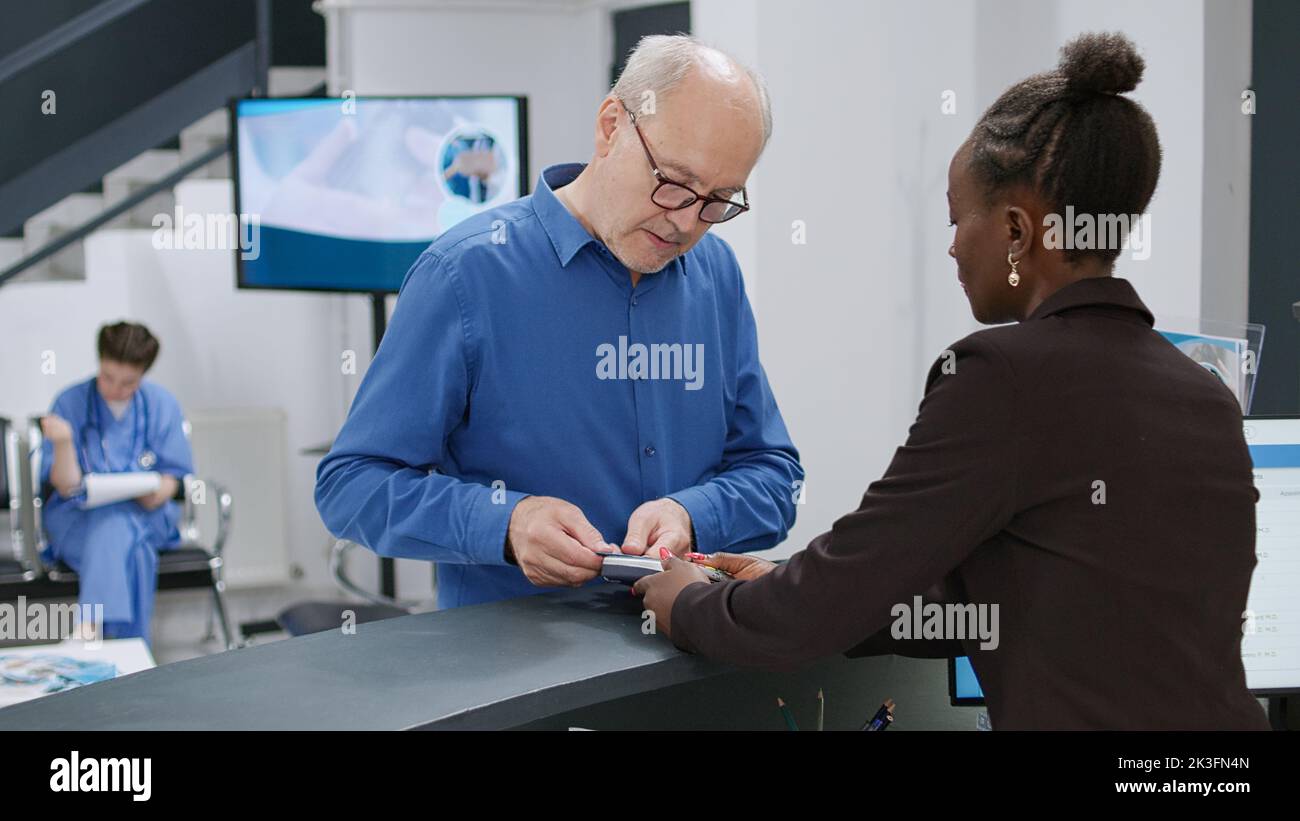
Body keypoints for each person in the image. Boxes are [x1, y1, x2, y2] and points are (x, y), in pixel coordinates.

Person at [635, 32, 1269, 730]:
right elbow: (1013, 604)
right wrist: (787, 584)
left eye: (957, 218)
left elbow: (818, 611)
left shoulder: (1002, 379)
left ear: (1018, 232)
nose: (951, 245)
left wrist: (687, 602)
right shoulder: (1204, 395)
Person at [315, 35, 804, 608]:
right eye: (672, 183)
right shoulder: (464, 274)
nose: (686, 224)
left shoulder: (715, 272)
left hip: (687, 654)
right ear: (611, 126)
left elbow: (773, 475)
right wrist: (505, 523)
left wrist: (690, 515)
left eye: (717, 202)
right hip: (514, 676)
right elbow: (352, 486)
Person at [40, 321, 194, 643]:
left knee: (116, 525)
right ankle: (131, 659)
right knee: (132, 549)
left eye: (128, 382)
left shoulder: (162, 405)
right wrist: (65, 442)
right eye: (108, 377)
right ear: (99, 363)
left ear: (143, 375)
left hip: (148, 515)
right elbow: (66, 487)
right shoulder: (69, 403)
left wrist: (154, 493)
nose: (115, 388)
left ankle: (88, 630)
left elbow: (174, 480)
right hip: (78, 521)